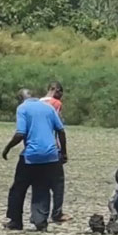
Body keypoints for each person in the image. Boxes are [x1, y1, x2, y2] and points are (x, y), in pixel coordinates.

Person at [2, 89, 67, 232]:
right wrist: (63, 153)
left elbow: (20, 133)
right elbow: (61, 131)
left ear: (21, 99)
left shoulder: (22, 108)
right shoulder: (48, 108)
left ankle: (15, 221)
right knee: (42, 187)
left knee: (18, 188)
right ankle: (40, 221)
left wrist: (7, 148)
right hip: (50, 156)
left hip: (31, 156)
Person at [39, 81, 70, 223]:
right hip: (52, 147)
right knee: (58, 183)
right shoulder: (56, 104)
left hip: (38, 146)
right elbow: (58, 128)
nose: (61, 96)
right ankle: (57, 213)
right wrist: (63, 151)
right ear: (55, 90)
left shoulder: (38, 102)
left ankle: (40, 212)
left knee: (42, 182)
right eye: (60, 92)